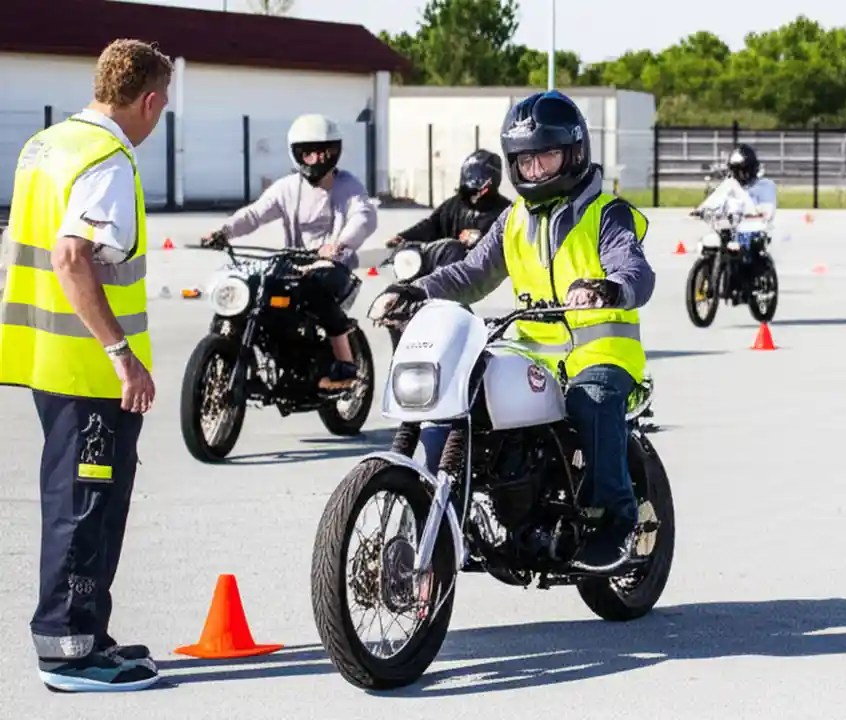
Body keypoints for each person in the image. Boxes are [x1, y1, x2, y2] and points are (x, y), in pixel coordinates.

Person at [373, 89, 654, 573]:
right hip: (530, 352)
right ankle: (451, 510)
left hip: (599, 353)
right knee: (459, 398)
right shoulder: (513, 220)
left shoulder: (606, 213)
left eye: (547, 156)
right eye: (526, 161)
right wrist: (417, 291)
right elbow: (470, 274)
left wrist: (610, 286)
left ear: (575, 152)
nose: (537, 170)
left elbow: (635, 268)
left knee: (591, 404)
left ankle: (617, 520)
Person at [0, 38, 171, 692]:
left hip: (49, 362)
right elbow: (72, 257)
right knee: (87, 506)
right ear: (148, 101)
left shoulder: (48, 144)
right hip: (90, 372)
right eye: (162, 106)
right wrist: (122, 357)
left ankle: (88, 635)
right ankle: (71, 652)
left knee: (76, 500)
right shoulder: (108, 160)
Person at [199, 114, 377, 390]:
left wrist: (340, 244)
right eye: (309, 154)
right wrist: (224, 232)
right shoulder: (287, 188)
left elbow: (363, 217)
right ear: (297, 154)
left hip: (333, 266)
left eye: (324, 152)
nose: (317, 160)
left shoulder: (348, 186)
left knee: (316, 293)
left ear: (335, 152)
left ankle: (345, 365)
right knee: (252, 289)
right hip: (292, 265)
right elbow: (255, 214)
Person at [386, 149, 512, 251]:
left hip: (487, 276)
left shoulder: (505, 212)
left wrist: (480, 239)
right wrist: (405, 237)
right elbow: (432, 225)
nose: (472, 195)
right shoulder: (454, 205)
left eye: (476, 188)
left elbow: (509, 243)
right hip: (450, 271)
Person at [722, 143, 777, 263]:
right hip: (731, 230)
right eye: (735, 170)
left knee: (752, 251)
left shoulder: (764, 185)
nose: (738, 175)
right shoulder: (729, 186)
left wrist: (752, 213)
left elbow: (767, 212)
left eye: (742, 170)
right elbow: (717, 203)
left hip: (753, 232)